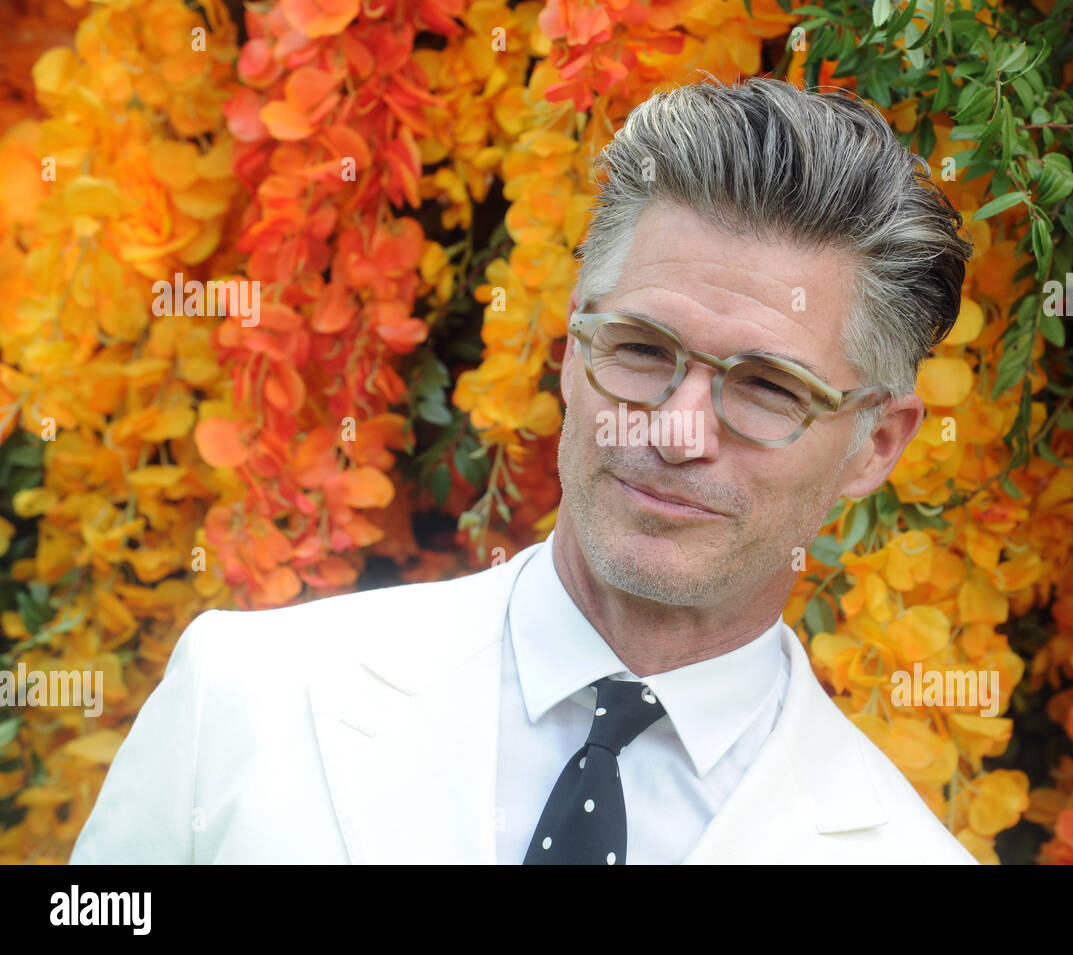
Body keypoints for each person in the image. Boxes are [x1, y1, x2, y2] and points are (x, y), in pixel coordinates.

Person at [71, 75, 979, 864]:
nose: (675, 430)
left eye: (770, 388)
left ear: (875, 444)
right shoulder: (245, 696)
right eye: (639, 346)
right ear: (569, 349)